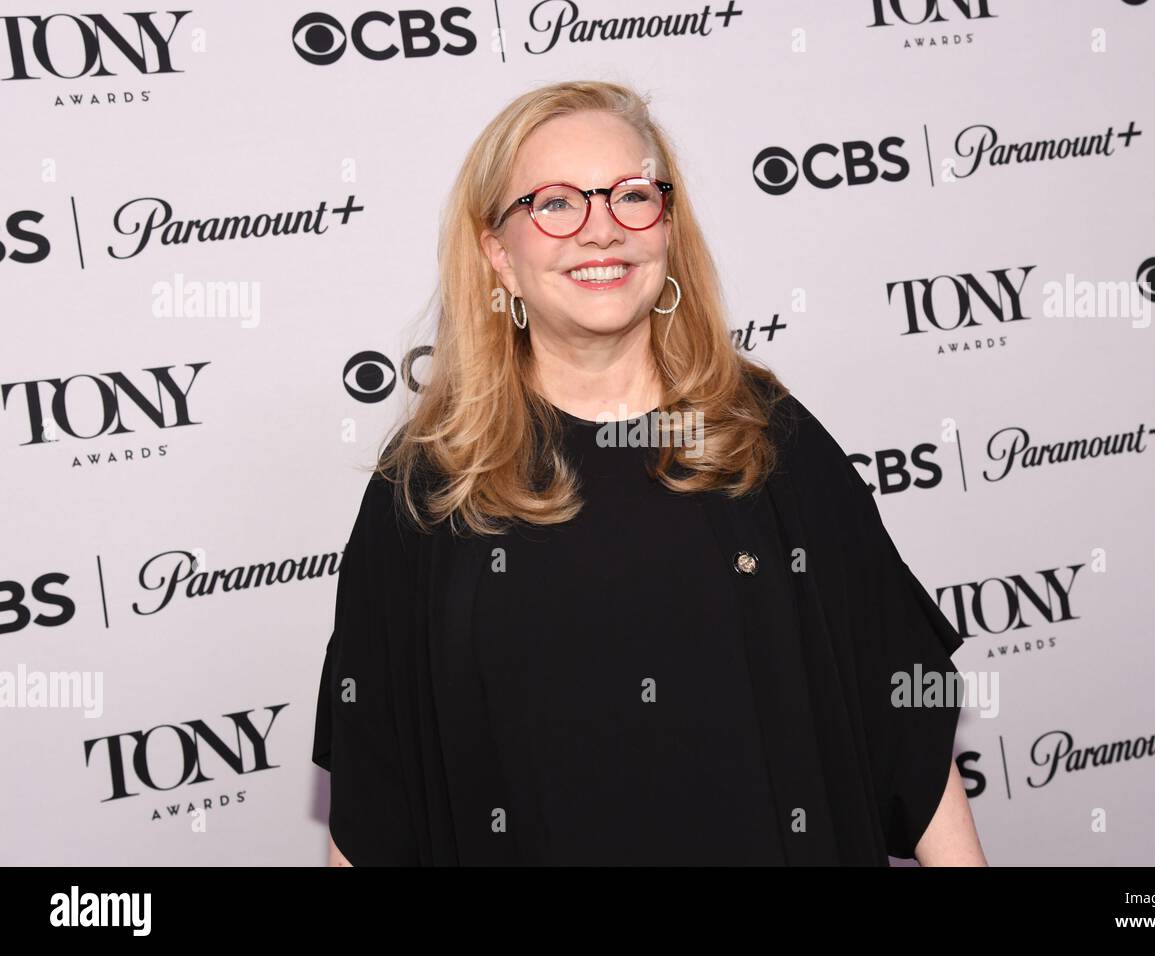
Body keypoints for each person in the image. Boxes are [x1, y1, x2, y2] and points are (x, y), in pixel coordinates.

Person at [311, 79, 987, 866]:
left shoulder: (768, 443)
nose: (601, 232)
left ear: (666, 228)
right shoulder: (427, 492)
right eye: (555, 204)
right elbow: (374, 804)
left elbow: (903, 714)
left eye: (632, 196)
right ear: (499, 254)